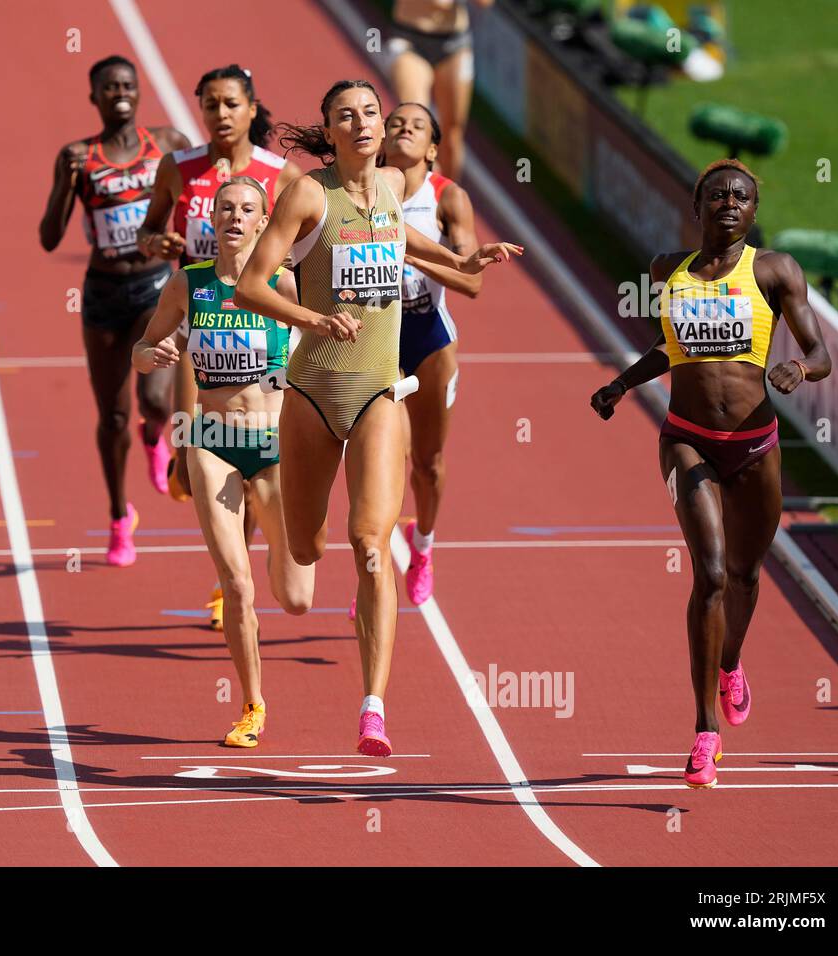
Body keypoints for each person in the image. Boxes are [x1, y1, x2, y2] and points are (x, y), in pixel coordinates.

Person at [236, 79, 521, 756]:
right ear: (330, 130)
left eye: (370, 112)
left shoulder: (393, 187)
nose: (364, 123)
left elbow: (404, 243)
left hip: (377, 394)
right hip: (309, 393)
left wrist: (462, 260)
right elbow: (249, 282)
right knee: (306, 550)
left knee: (371, 547)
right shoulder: (308, 193)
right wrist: (313, 318)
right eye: (348, 116)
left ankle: (372, 709)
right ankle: (280, 521)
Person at [590, 159, 831, 788]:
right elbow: (671, 346)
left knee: (748, 576)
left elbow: (820, 352)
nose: (730, 202)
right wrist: (620, 384)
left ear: (753, 211)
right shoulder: (667, 270)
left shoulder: (776, 271)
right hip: (687, 440)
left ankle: (731, 666)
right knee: (714, 572)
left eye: (742, 196)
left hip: (755, 445)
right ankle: (704, 732)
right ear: (698, 208)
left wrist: (797, 371)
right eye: (718, 195)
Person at [134, 177, 313, 747]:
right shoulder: (189, 285)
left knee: (297, 598)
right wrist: (152, 354)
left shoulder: (284, 284)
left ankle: (290, 549)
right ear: (210, 219)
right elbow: (143, 352)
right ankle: (253, 704)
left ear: (264, 222)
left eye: (247, 210)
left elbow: (322, 359)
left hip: (275, 444)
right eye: (225, 209)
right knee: (236, 584)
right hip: (211, 439)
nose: (235, 217)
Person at [138, 64, 302, 628]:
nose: (221, 113)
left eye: (232, 103)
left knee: (254, 453)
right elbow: (148, 231)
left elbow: (311, 240)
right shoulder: (177, 168)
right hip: (198, 323)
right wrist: (156, 241)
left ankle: (238, 580)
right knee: (194, 453)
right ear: (200, 110)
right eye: (210, 103)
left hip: (262, 325)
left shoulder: (279, 173)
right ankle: (233, 574)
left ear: (252, 108)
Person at [39, 55, 190, 566]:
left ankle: (155, 436)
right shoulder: (79, 155)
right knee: (112, 416)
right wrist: (65, 181)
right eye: (108, 87)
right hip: (104, 295)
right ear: (94, 97)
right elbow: (48, 238)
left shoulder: (166, 143)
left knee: (154, 400)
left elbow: (202, 189)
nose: (119, 93)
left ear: (138, 92)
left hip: (154, 291)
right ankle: (119, 517)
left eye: (127, 84)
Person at [382, 101, 481, 606]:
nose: (403, 129)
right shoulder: (364, 192)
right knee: (384, 459)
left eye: (416, 125)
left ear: (433, 149)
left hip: (428, 339)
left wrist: (410, 252)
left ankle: (423, 546)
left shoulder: (447, 198)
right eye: (395, 123)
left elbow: (473, 281)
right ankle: (375, 571)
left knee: (429, 463)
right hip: (376, 340)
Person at [385, 0, 494, 179]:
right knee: (416, 120)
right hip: (409, 38)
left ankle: (448, 197)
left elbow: (485, 3)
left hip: (454, 44)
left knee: (452, 132)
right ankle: (423, 191)